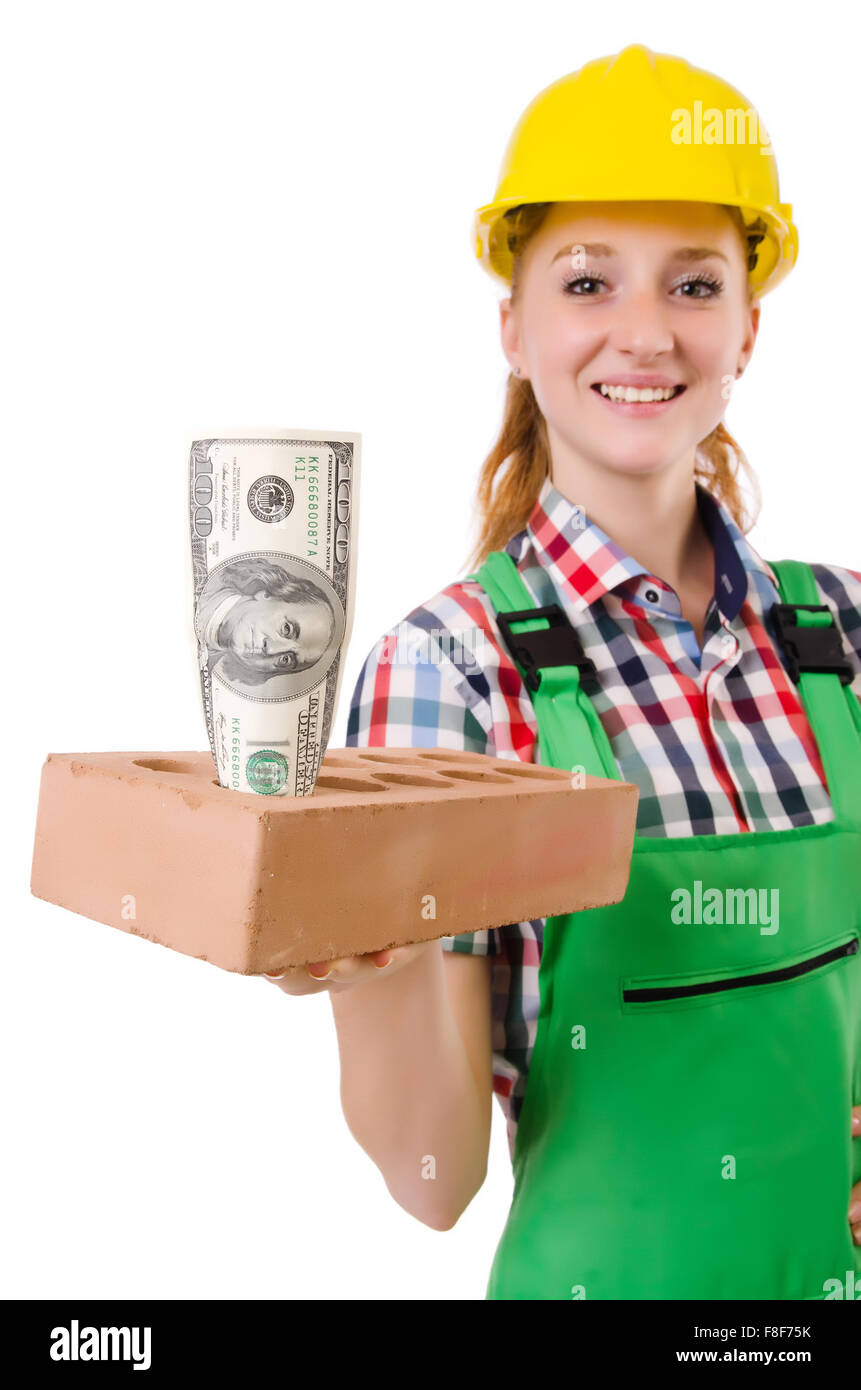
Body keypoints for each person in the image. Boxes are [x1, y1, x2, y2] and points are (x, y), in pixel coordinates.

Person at [263, 45, 861, 1299]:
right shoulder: (452, 676)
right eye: (589, 281)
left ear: (749, 320)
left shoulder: (846, 634)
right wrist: (373, 962)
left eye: (695, 283)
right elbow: (434, 1180)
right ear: (514, 323)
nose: (645, 334)